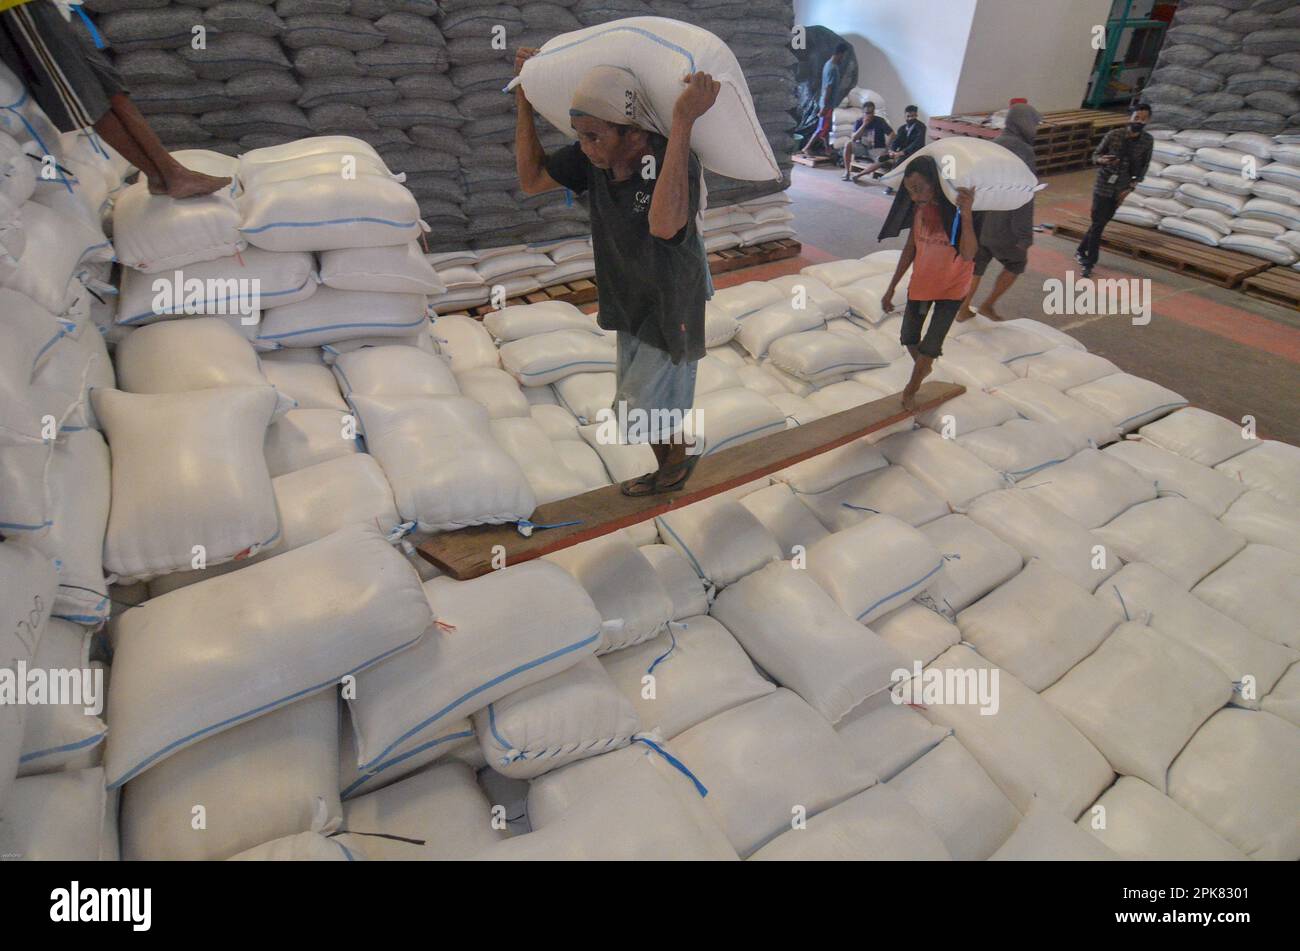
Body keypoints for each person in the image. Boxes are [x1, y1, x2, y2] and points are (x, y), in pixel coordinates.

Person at [514, 49, 718, 496]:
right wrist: (525, 102)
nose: (586, 148)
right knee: (642, 401)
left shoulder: (670, 156)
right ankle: (672, 466)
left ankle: (676, 463)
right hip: (628, 292)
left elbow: (664, 225)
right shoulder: (594, 158)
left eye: (595, 137)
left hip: (670, 295)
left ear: (634, 135)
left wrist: (683, 122)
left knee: (643, 403)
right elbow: (531, 179)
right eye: (581, 137)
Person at [0, 0, 229, 197]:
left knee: (108, 86)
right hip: (15, 10)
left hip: (33, 7)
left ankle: (166, 174)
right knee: (85, 98)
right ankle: (170, 175)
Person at [876, 155, 978, 409]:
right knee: (909, 337)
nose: (914, 196)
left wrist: (966, 215)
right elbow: (910, 248)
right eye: (910, 190)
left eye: (919, 189)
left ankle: (911, 389)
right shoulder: (920, 210)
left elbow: (968, 253)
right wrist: (892, 287)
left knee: (931, 344)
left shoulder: (955, 213)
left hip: (952, 288)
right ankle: (924, 367)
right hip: (923, 283)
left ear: (936, 183)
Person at [958, 101, 1041, 321]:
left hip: (983, 216)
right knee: (1016, 262)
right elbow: (1025, 192)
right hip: (1006, 219)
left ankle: (963, 307)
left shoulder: (994, 144)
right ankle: (987, 305)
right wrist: (1025, 234)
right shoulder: (1023, 151)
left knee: (978, 262)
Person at [1076, 103, 1153, 278]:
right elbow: (1095, 156)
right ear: (1130, 117)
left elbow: (1145, 165)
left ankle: (1081, 250)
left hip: (1122, 187)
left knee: (1102, 222)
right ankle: (1089, 261)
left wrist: (1132, 186)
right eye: (1137, 118)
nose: (1139, 121)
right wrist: (1103, 160)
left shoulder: (1147, 140)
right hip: (1103, 185)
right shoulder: (1114, 135)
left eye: (1144, 118)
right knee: (1097, 223)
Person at [799, 41, 848, 158]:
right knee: (821, 128)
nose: (843, 59)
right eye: (844, 56)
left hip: (827, 104)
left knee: (826, 128)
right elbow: (828, 88)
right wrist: (825, 106)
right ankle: (807, 147)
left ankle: (827, 149)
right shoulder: (832, 68)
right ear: (840, 54)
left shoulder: (828, 65)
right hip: (827, 104)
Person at [874, 105, 926, 194]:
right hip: (902, 152)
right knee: (885, 158)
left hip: (915, 152)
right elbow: (896, 141)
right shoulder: (902, 128)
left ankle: (890, 186)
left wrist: (902, 152)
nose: (910, 118)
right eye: (908, 116)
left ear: (916, 115)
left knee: (898, 162)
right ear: (905, 116)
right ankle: (889, 165)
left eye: (913, 116)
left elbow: (917, 143)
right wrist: (892, 150)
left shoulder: (921, 127)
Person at [842, 100, 892, 182]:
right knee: (848, 144)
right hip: (863, 147)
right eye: (867, 113)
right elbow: (853, 138)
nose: (869, 115)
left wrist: (886, 149)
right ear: (863, 113)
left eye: (871, 112)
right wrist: (864, 125)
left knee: (883, 159)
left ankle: (859, 175)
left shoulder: (880, 121)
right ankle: (847, 172)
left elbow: (892, 134)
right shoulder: (859, 121)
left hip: (877, 149)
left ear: (874, 112)